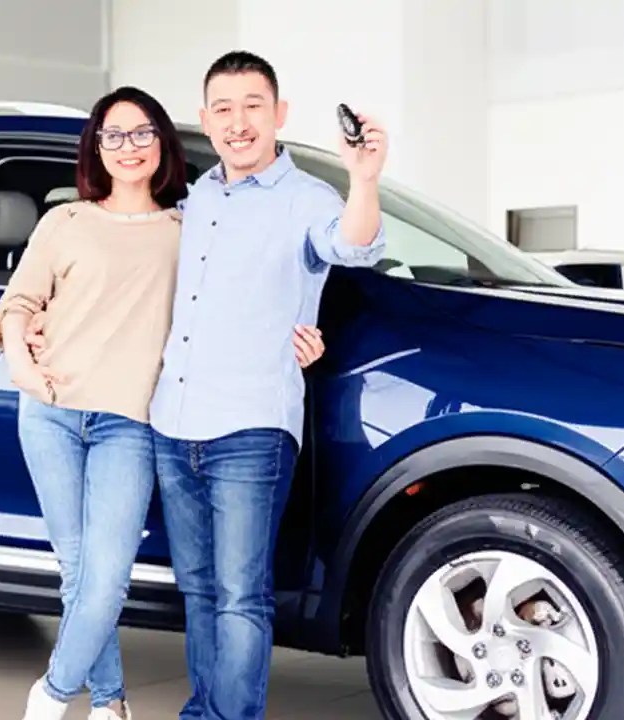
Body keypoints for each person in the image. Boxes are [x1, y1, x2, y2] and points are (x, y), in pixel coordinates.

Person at [0, 85, 327, 720]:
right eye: (112, 135)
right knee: (78, 574)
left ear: (163, 143)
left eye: (142, 133)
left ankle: (52, 695)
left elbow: (248, 291)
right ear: (96, 148)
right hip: (51, 413)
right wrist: (22, 362)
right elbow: (18, 305)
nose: (128, 147)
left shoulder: (189, 225)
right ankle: (110, 704)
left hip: (129, 422)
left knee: (105, 579)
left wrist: (298, 333)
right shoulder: (64, 221)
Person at [145, 51, 389, 720]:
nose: (238, 121)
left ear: (278, 115)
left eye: (253, 105)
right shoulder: (196, 199)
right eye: (222, 108)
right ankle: (204, 711)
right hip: (173, 420)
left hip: (250, 426)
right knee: (196, 589)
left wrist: (363, 177)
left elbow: (354, 244)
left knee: (239, 594)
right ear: (204, 119)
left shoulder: (308, 198)